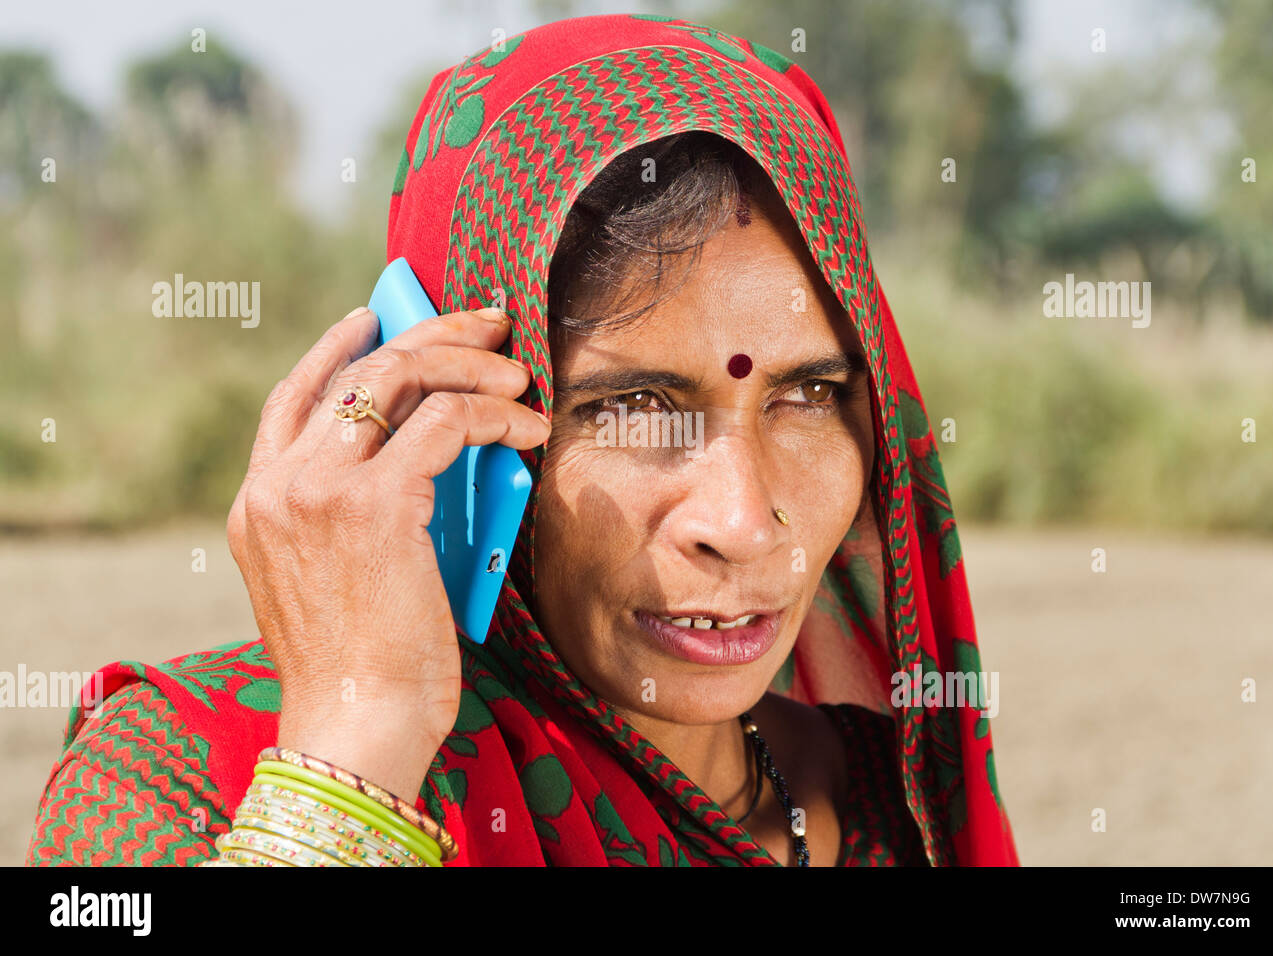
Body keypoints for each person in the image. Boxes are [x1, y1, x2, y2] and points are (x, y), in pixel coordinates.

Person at [27, 13, 1017, 866]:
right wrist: (359, 741)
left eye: (806, 392)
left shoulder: (895, 809)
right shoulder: (176, 773)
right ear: (450, 413)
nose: (744, 522)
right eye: (632, 407)